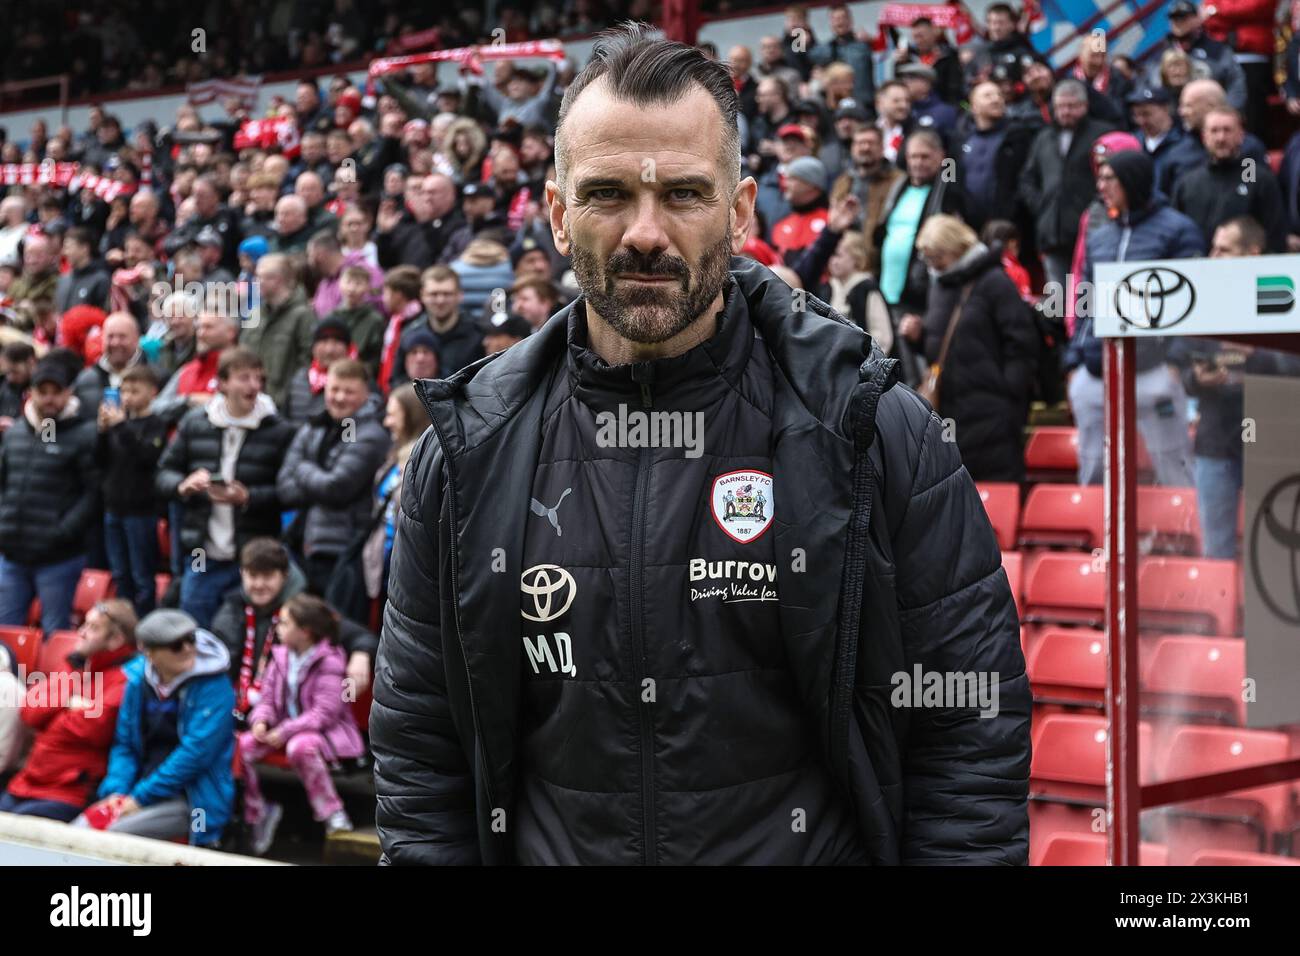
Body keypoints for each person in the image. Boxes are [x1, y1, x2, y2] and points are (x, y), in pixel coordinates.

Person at [372, 24, 1029, 866]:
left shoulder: (873, 431)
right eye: (608, 193)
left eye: (683, 194)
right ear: (556, 214)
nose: (646, 233)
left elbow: (968, 733)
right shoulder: (467, 455)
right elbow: (420, 750)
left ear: (741, 209)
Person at [1066, 150, 1202, 487]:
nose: (1101, 186)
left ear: (1133, 180)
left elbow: (1193, 301)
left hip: (1153, 370)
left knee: (1174, 466)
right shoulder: (1099, 237)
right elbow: (1086, 301)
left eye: (1109, 178)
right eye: (1099, 178)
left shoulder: (1178, 230)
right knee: (1094, 466)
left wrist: (1175, 360)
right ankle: (1097, 537)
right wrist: (1073, 361)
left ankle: (1185, 532)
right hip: (1098, 370)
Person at [1169, 217, 1300, 558]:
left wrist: (1258, 355)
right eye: (1213, 248)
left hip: (1271, 442)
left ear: (1252, 254)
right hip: (1215, 441)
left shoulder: (1285, 293)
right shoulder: (1202, 300)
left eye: (1224, 250)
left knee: (1277, 552)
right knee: (1216, 551)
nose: (1213, 258)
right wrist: (1198, 379)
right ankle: (1221, 610)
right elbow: (1181, 367)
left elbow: (1293, 370)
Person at [156, 347, 295, 628]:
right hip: (203, 555)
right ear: (222, 383)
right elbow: (163, 473)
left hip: (254, 558)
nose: (253, 386)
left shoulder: (279, 430)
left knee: (247, 637)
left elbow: (290, 491)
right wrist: (183, 485)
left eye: (259, 379)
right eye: (244, 378)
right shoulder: (195, 423)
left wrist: (248, 497)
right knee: (194, 633)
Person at [899, 215, 1039, 482]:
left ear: (957, 248)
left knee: (993, 495)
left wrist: (1009, 394)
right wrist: (918, 337)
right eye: (927, 257)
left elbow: (1021, 341)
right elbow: (942, 344)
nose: (932, 265)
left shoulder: (995, 281)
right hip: (950, 411)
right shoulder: (939, 283)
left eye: (937, 256)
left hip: (992, 413)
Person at [79, 609, 234, 847]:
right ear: (149, 652)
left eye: (190, 639)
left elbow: (195, 755)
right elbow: (125, 744)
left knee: (108, 840)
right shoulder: (137, 681)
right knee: (77, 831)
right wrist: (117, 792)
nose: (187, 649)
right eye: (175, 645)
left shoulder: (216, 687)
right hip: (137, 791)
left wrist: (140, 797)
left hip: (192, 800)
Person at [237, 593, 365, 853]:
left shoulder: (330, 660)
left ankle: (333, 813)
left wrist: (284, 731)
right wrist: (261, 720)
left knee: (300, 746)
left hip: (326, 733)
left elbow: (324, 714)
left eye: (284, 623)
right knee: (244, 746)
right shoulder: (280, 656)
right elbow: (267, 699)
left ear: (305, 632)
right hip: (283, 730)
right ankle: (258, 812)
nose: (278, 628)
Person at [1, 600, 138, 821]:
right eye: (83, 625)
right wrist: (69, 702)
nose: (81, 633)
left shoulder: (124, 680)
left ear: (115, 640)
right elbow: (30, 712)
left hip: (68, 793)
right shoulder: (73, 666)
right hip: (26, 784)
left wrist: (54, 710)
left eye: (93, 628)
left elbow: (91, 728)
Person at [210, 537, 377, 719]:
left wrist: (361, 654)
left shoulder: (305, 608)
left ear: (285, 575)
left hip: (293, 716)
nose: (258, 584)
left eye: (267, 576)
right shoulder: (231, 607)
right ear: (242, 574)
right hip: (239, 708)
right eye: (253, 576)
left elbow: (360, 636)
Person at [0, 355, 100, 632]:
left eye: (57, 392)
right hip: (12, 553)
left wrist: (63, 531)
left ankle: (54, 680)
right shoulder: (16, 433)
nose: (49, 399)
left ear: (69, 392)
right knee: (5, 635)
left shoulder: (85, 434)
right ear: (31, 393)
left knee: (55, 634)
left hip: (59, 557)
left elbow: (93, 495)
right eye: (42, 392)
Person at [277, 359, 391, 596]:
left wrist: (303, 467)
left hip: (343, 549)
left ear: (366, 394)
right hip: (304, 545)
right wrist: (316, 480)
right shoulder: (314, 426)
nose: (339, 397)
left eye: (348, 391)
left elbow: (335, 488)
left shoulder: (372, 434)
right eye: (334, 390)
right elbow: (284, 488)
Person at [1018, 79, 1115, 291]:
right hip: (1051, 233)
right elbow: (1027, 178)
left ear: (1084, 106)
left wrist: (1096, 209)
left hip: (1092, 231)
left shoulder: (1102, 134)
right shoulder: (1044, 137)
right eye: (1060, 106)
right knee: (1058, 303)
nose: (1065, 112)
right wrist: (1041, 205)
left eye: (1072, 106)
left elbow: (1114, 175)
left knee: (1092, 297)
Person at [874, 129, 968, 322]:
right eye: (913, 156)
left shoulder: (947, 190)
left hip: (922, 294)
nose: (918, 162)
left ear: (941, 156)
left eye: (925, 156)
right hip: (887, 289)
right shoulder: (900, 186)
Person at [97, 365, 166, 618]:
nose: (127, 397)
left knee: (142, 576)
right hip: (113, 509)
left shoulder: (156, 425)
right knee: (120, 574)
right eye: (124, 391)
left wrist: (120, 427)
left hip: (141, 512)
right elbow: (100, 461)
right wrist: (103, 433)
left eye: (135, 391)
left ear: (152, 392)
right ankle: (124, 626)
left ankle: (145, 626)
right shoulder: (117, 426)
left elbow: (147, 457)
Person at [1172, 107, 1286, 253]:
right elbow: (1176, 234)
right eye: (1214, 131)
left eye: (1227, 130)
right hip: (1197, 270)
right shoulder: (1187, 183)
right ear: (1204, 137)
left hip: (1248, 269)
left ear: (1241, 135)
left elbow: (1275, 237)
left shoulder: (1258, 178)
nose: (1221, 138)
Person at [242, 253, 318, 411]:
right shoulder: (255, 314)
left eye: (267, 277)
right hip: (252, 400)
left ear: (285, 279)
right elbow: (242, 351)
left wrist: (292, 394)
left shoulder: (303, 315)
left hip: (285, 404)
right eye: (257, 277)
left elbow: (308, 359)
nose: (259, 282)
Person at [1142, 0, 1247, 114]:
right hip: (1172, 119)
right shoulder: (1162, 53)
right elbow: (1148, 85)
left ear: (1197, 19)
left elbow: (1235, 82)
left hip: (1210, 115)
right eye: (1174, 18)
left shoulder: (1217, 50)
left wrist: (1227, 113)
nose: (1178, 22)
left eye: (1183, 17)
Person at [73, 311, 151, 419]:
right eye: (110, 337)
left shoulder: (153, 376)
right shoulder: (85, 379)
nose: (115, 343)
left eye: (122, 337)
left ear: (136, 339)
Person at [284, 318, 353, 426]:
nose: (329, 350)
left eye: (336, 342)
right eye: (324, 341)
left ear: (347, 348)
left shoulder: (357, 382)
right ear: (313, 347)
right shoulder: (299, 378)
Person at [324, 264, 386, 375]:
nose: (352, 289)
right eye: (348, 282)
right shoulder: (330, 317)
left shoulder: (375, 320)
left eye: (358, 283)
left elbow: (376, 356)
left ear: (367, 287)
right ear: (339, 283)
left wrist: (361, 371)